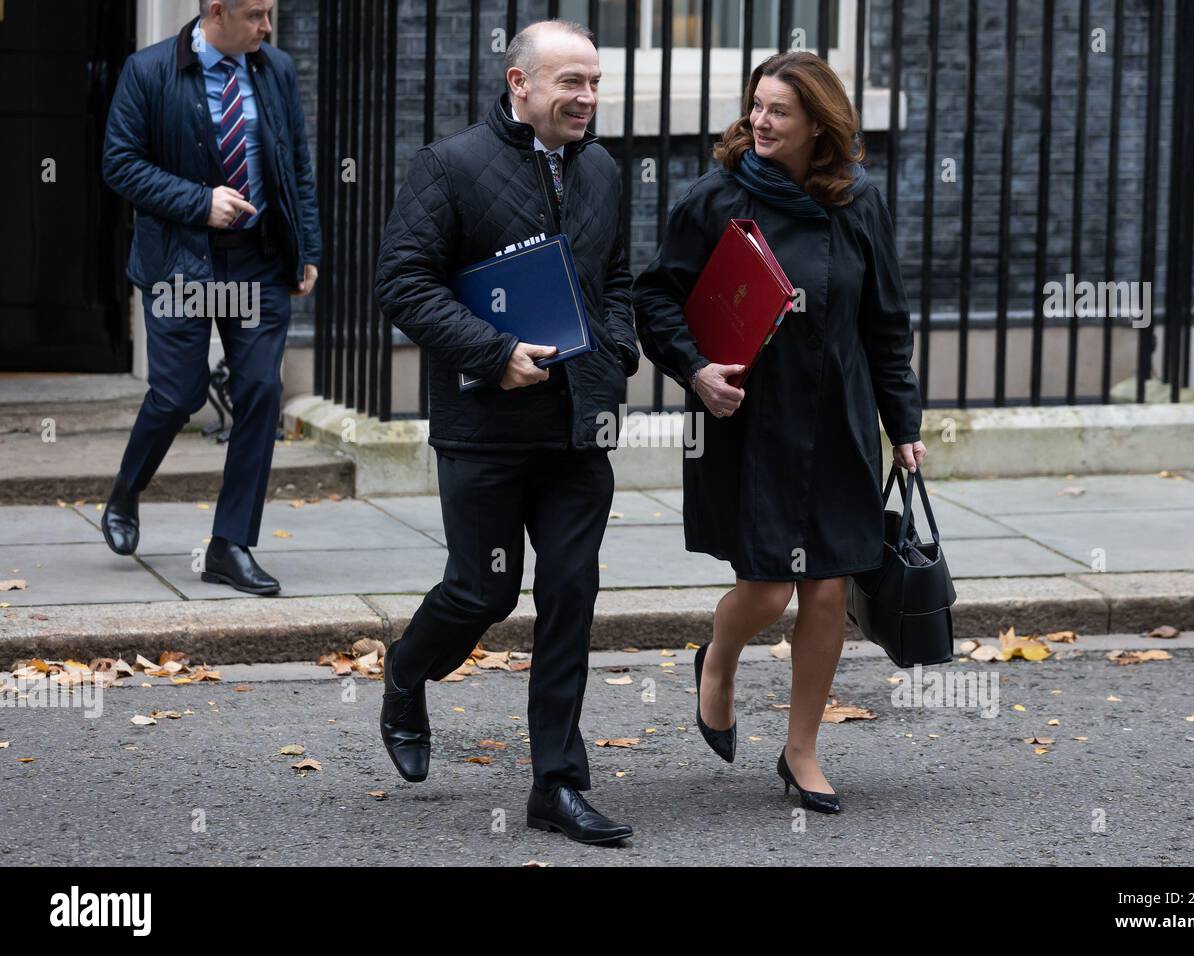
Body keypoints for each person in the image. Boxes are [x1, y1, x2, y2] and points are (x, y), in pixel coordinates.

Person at [632, 51, 927, 814]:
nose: (760, 121)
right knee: (765, 588)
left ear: (817, 124)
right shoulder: (715, 196)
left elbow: (886, 322)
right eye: (756, 105)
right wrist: (696, 369)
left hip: (836, 420)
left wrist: (904, 424)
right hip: (748, 419)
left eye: (779, 111)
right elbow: (657, 299)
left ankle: (801, 751)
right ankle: (719, 663)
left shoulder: (858, 201)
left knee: (827, 588)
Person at [373, 20, 641, 847]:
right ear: (518, 84)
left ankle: (555, 783)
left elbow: (619, 279)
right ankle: (406, 671)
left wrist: (618, 349)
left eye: (594, 82)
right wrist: (493, 354)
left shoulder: (601, 170)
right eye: (570, 82)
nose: (586, 98)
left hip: (578, 430)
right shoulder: (448, 166)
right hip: (486, 427)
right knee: (482, 591)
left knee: (570, 593)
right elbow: (403, 283)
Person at [99, 0, 321, 595]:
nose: (267, 27)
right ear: (216, 12)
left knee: (260, 391)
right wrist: (201, 202)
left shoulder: (272, 67)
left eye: (269, 13)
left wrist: (309, 248)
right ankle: (126, 491)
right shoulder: (148, 71)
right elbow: (119, 164)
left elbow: (296, 162)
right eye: (255, 15)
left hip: (258, 262)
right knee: (178, 393)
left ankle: (230, 545)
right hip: (181, 264)